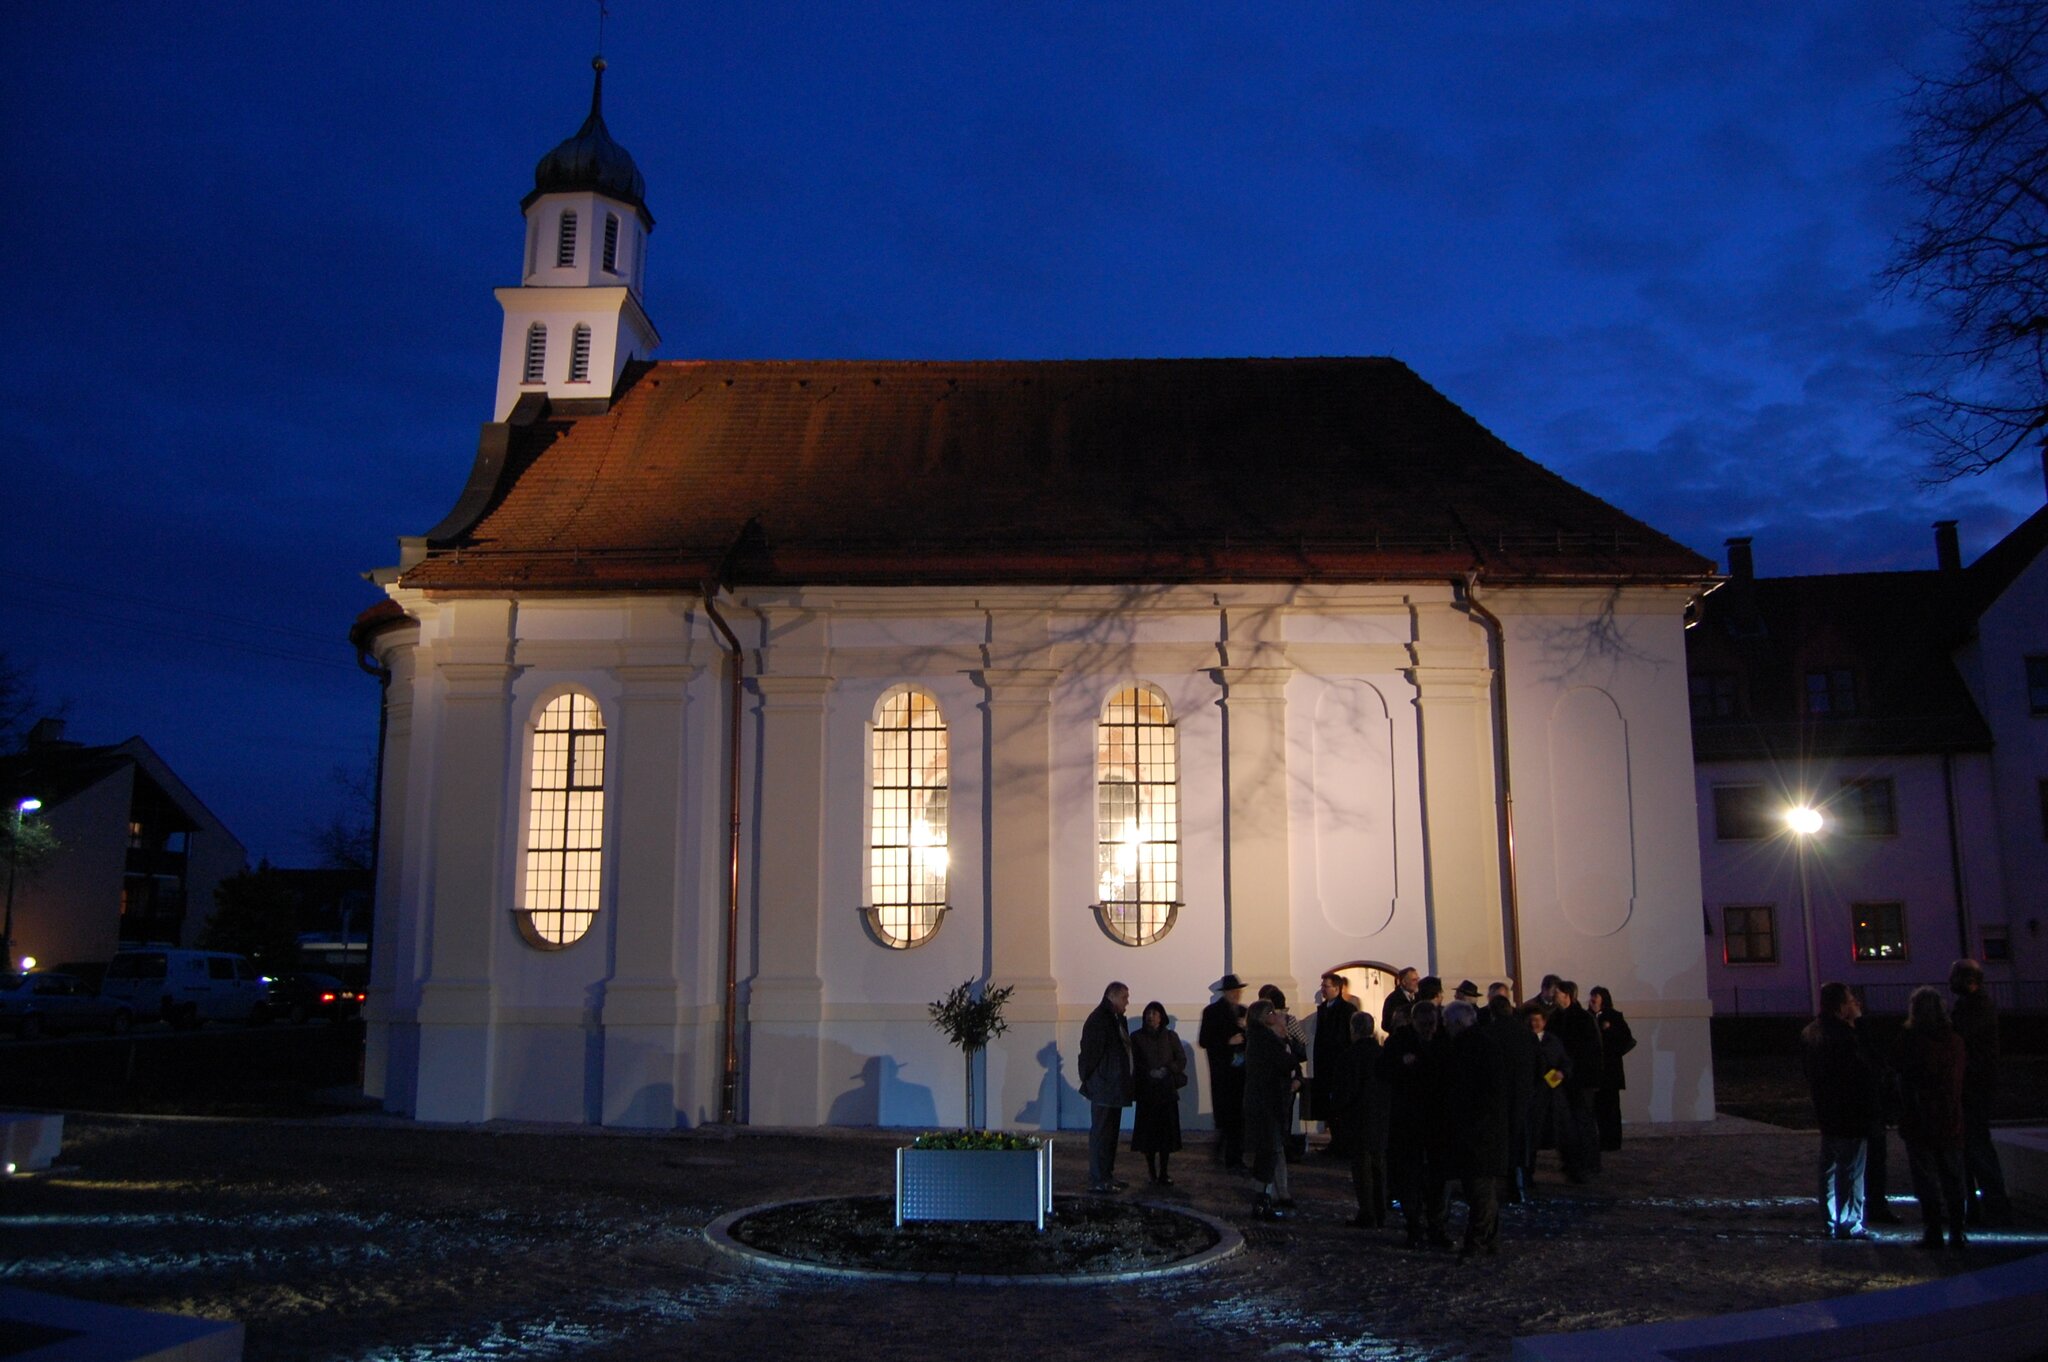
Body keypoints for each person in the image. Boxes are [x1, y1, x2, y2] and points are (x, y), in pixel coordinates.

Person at [1802, 981, 1880, 1240]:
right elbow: (1868, 1064)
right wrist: (1861, 1024)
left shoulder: (1813, 1033)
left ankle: (1830, 1219)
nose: (1855, 1004)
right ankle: (1849, 1222)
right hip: (1851, 1111)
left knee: (1829, 1167)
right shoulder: (1845, 1036)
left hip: (1827, 1110)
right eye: (1850, 1001)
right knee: (1851, 1169)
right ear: (1840, 1006)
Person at [1893, 985, 1968, 1250]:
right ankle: (1958, 1230)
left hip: (1920, 1118)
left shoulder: (1910, 1041)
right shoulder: (1954, 1041)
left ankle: (1933, 1229)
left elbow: (1904, 1080)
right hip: (1949, 1116)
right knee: (1952, 1175)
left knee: (1926, 1178)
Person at [1380, 999, 1451, 1249]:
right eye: (1424, 1024)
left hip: (1436, 1120)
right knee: (1411, 1178)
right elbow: (1385, 1072)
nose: (1429, 1028)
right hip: (1409, 1121)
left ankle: (1436, 1226)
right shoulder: (1400, 1041)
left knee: (1436, 1178)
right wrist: (1402, 1064)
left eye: (1431, 1024)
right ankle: (1415, 1226)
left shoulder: (1443, 1041)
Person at [1443, 999, 1511, 1258]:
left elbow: (1469, 1092)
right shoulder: (1482, 1044)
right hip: (1485, 1129)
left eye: (1448, 1024)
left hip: (1479, 1131)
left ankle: (1478, 1240)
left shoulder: (1469, 1047)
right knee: (1482, 1188)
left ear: (1458, 1023)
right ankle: (1488, 1238)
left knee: (1479, 1188)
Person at [1949, 959, 2012, 1225]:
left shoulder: (1976, 1007)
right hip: (1973, 1084)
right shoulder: (1975, 1005)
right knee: (1971, 1145)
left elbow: (1963, 1039)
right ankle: (1978, 1204)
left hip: (1974, 1086)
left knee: (1976, 1145)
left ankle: (1993, 1204)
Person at [1330, 1009, 1390, 1227]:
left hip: (1358, 1119)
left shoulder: (1349, 1057)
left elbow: (1343, 1091)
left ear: (1353, 1030)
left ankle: (1368, 1213)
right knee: (1379, 1167)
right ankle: (1380, 1211)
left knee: (1363, 1169)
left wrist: (1338, 1111)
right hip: (1381, 1117)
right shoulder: (1382, 1053)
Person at [1243, 999, 1302, 1219]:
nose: (1277, 1015)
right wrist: (1286, 1042)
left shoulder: (1259, 1038)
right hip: (1267, 1104)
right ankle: (1262, 1202)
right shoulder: (1265, 1039)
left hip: (1265, 1102)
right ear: (1264, 1016)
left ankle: (1264, 1199)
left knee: (1267, 1152)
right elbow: (1285, 1063)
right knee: (1268, 1152)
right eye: (1272, 1012)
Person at [1078, 981, 1134, 1194]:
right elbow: (1090, 1054)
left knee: (1110, 1135)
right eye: (1124, 998)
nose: (1127, 1002)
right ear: (1112, 996)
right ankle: (1099, 1178)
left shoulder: (1112, 1018)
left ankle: (1106, 1176)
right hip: (1105, 1086)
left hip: (1113, 1087)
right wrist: (1091, 1079)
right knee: (1102, 1134)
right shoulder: (1100, 1019)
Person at [1549, 980, 1603, 1181]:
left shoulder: (1583, 1019)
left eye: (1558, 993)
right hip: (1561, 1080)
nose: (1555, 996)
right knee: (1565, 1123)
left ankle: (1588, 1162)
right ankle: (1571, 1162)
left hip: (1580, 1080)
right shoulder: (1555, 1018)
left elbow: (1589, 1052)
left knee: (1583, 1122)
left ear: (1567, 996)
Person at [1129, 1000, 1186, 1185]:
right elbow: (1134, 1062)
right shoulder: (1136, 1037)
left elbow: (1181, 1059)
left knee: (1165, 1136)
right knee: (1149, 1137)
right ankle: (1152, 1171)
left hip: (1166, 1092)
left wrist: (1168, 1069)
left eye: (1155, 1013)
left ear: (1162, 1017)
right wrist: (1148, 1072)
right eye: (1149, 1013)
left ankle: (1164, 1171)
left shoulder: (1170, 1037)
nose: (1151, 1016)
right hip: (1147, 1093)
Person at [1199, 973, 1250, 1170]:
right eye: (1233, 991)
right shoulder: (1212, 1012)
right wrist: (1228, 1041)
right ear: (1226, 992)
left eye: (1238, 991)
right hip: (1223, 1072)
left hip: (1241, 1071)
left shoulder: (1243, 1011)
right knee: (1227, 1116)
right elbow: (1205, 1040)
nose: (1237, 995)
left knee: (1238, 1116)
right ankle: (1230, 1156)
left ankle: (1232, 1155)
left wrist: (1245, 1031)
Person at [1492, 993, 1538, 1202]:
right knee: (1520, 1140)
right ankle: (1519, 1184)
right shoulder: (1526, 1034)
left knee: (1502, 1139)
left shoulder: (1490, 1034)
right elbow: (1540, 1064)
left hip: (1498, 1095)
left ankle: (1504, 1183)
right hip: (1523, 1094)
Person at [1524, 1001, 1571, 1192]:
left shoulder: (1552, 1041)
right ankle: (1528, 1175)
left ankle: (1571, 1168)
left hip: (1552, 1097)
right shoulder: (1525, 1040)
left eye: (1537, 1020)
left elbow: (1564, 1063)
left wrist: (1561, 1073)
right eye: (1531, 1020)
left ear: (1544, 1022)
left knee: (1562, 1135)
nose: (1534, 1024)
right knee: (1531, 1140)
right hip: (1533, 1098)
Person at [1312, 972, 1358, 1156]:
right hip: (1326, 1064)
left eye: (1326, 986)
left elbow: (1345, 1038)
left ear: (1337, 989)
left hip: (1339, 1062)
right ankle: (1336, 1141)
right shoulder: (1323, 1008)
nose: (1322, 989)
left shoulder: (1347, 1010)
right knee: (1330, 1107)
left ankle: (1344, 1142)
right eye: (1322, 986)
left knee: (1341, 1105)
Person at [1587, 986, 1636, 1153]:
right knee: (1597, 1108)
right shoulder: (1587, 1017)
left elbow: (1626, 1040)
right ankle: (1600, 1140)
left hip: (1610, 1070)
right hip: (1594, 1070)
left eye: (1596, 997)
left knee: (1612, 1108)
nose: (1592, 1001)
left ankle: (1613, 1141)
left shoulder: (1614, 1017)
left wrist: (1610, 1031)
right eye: (1591, 997)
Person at [1382, 967, 1420, 1034]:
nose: (1417, 983)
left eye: (1418, 979)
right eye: (1414, 980)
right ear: (1404, 982)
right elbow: (1386, 1024)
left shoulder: (1419, 997)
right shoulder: (1392, 1000)